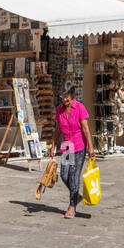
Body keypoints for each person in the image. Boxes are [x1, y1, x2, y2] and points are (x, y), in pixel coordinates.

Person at [50, 86, 95, 219]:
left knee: (74, 176)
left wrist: (91, 147)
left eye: (67, 97)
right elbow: (58, 129)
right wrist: (53, 146)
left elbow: (86, 129)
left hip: (79, 145)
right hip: (67, 146)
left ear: (72, 96)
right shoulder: (60, 109)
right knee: (64, 175)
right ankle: (76, 195)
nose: (64, 100)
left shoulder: (80, 108)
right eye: (63, 97)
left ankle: (72, 206)